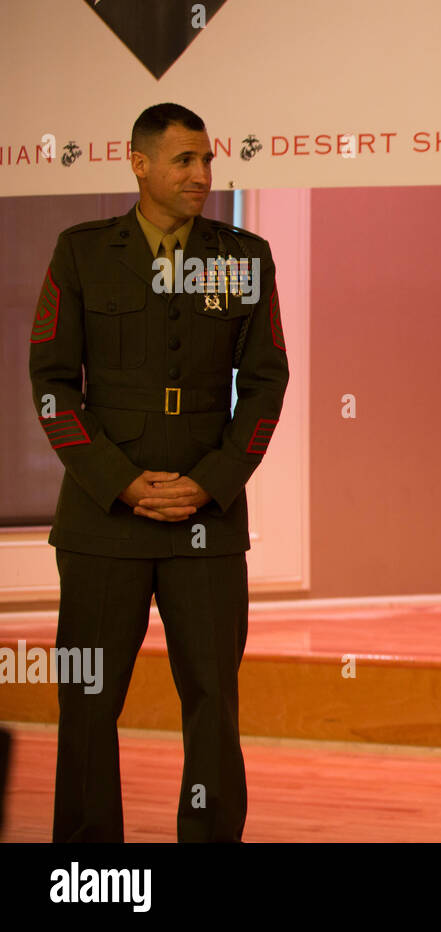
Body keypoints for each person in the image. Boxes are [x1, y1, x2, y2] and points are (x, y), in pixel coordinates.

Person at [28, 102, 289, 842]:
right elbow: (51, 381)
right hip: (100, 519)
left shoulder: (245, 255)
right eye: (184, 161)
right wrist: (118, 479)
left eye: (208, 160)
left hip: (206, 522)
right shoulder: (80, 251)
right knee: (86, 701)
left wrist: (213, 481)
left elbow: (266, 382)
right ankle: (88, 868)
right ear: (139, 164)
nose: (203, 176)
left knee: (213, 701)